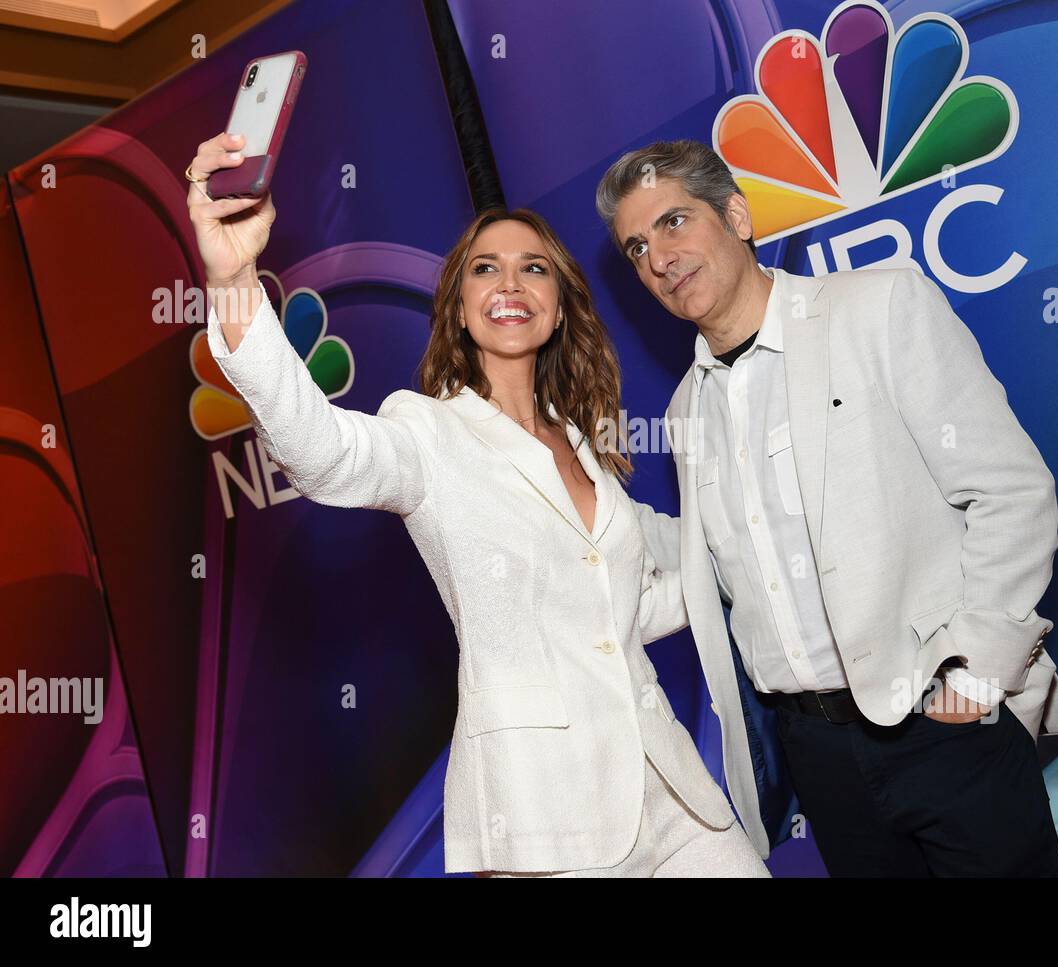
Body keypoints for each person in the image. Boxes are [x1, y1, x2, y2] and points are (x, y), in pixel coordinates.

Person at [184, 132, 769, 878]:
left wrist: (759, 548)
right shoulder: (428, 433)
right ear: (460, 309)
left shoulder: (583, 446)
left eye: (534, 268)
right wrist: (235, 279)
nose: (510, 283)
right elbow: (322, 452)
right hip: (548, 822)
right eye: (485, 268)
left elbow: (619, 613)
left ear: (558, 306)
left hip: (674, 794)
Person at [595, 139, 1058, 876]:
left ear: (737, 216)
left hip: (944, 723)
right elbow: (720, 563)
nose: (659, 258)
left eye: (674, 222)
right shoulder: (685, 407)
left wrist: (976, 675)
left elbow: (1010, 490)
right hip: (819, 758)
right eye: (636, 247)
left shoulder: (877, 309)